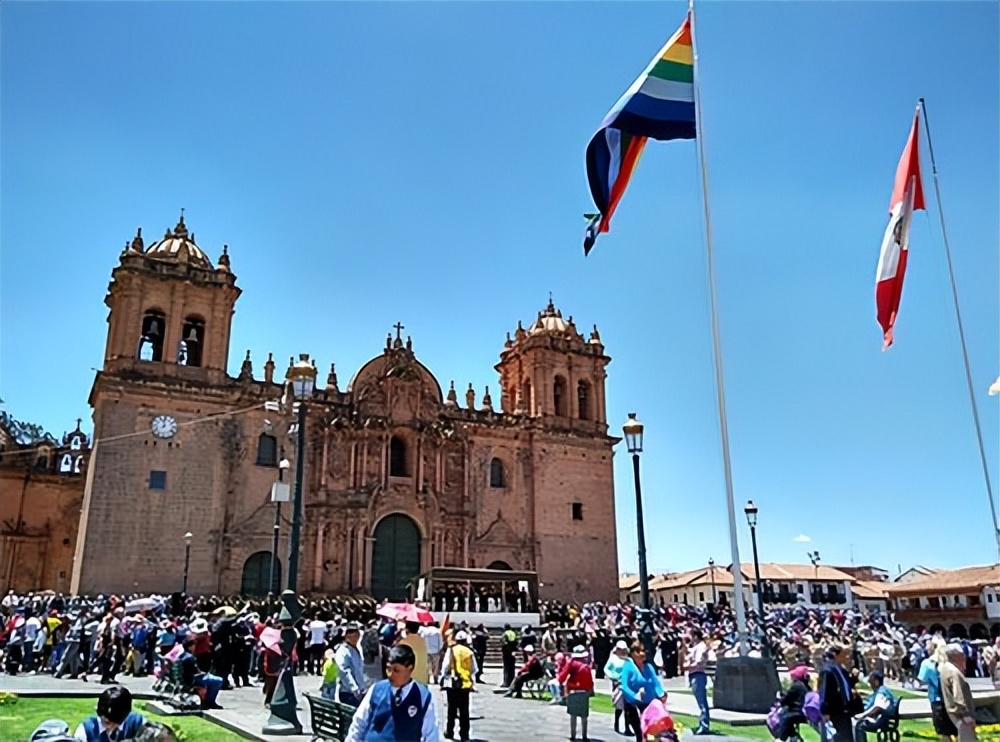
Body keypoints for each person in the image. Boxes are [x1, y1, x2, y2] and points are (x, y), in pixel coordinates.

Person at [345, 644, 440, 742]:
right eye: (388, 669)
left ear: (410, 668)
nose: (390, 674)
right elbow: (359, 722)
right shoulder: (377, 689)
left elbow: (431, 735)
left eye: (396, 670)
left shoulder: (423, 696)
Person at [619, 640, 666, 742]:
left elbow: (655, 683)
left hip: (648, 704)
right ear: (632, 653)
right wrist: (634, 696)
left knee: (650, 732)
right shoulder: (628, 667)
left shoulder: (649, 667)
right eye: (638, 651)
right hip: (633, 705)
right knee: (640, 734)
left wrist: (661, 694)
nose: (642, 654)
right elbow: (624, 686)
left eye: (643, 651)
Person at [918, 638, 959, 742]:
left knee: (944, 734)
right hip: (953, 700)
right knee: (958, 731)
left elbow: (922, 680)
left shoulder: (927, 663)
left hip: (937, 701)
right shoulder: (951, 663)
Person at [439, 630, 476, 741]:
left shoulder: (451, 650)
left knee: (451, 710)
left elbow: (445, 666)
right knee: (464, 711)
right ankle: (464, 734)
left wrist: (442, 678)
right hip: (465, 684)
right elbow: (474, 669)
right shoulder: (469, 652)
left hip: (452, 683)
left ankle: (449, 732)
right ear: (465, 641)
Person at [73, 686, 146, 741]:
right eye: (105, 722)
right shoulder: (86, 730)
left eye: (113, 724)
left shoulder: (137, 722)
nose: (109, 727)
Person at [940, 643, 978, 742]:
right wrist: (966, 714)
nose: (964, 657)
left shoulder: (945, 668)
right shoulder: (954, 672)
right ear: (955, 656)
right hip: (960, 715)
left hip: (953, 712)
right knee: (968, 739)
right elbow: (958, 695)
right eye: (962, 654)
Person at [176, 636, 225, 709]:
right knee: (218, 680)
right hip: (191, 680)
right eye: (193, 645)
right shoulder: (189, 658)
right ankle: (210, 701)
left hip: (184, 679)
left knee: (210, 678)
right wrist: (203, 673)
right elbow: (195, 671)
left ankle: (207, 701)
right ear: (190, 646)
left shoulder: (181, 656)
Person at [559, 645, 595, 742]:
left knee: (573, 716)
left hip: (573, 691)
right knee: (584, 716)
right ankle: (584, 736)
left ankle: (573, 735)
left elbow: (562, 676)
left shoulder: (571, 664)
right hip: (584, 692)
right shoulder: (586, 666)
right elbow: (590, 681)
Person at [819, 645, 854, 742]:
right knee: (838, 738)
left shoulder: (840, 669)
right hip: (834, 711)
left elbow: (846, 685)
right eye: (844, 654)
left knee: (846, 737)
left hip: (844, 709)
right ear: (835, 655)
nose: (847, 657)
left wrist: (854, 678)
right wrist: (825, 711)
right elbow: (825, 691)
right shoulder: (828, 670)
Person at [852, 671, 896, 742]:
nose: (869, 682)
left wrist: (862, 715)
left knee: (857, 724)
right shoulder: (881, 690)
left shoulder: (881, 692)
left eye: (871, 680)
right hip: (881, 719)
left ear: (876, 681)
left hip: (880, 721)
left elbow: (877, 708)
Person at [684, 627, 711, 735]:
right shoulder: (696, 647)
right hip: (694, 675)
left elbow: (698, 662)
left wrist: (688, 667)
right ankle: (702, 723)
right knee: (700, 701)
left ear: (695, 636)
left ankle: (704, 725)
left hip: (698, 675)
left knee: (702, 702)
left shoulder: (701, 647)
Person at [604, 640, 632, 736]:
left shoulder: (629, 660)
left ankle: (627, 727)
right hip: (617, 684)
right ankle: (616, 723)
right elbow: (606, 669)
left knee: (628, 707)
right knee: (619, 705)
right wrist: (613, 676)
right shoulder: (613, 659)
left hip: (627, 685)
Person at [336, 622, 368, 707]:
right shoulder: (343, 651)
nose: (356, 637)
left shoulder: (357, 649)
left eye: (357, 634)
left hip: (360, 692)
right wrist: (354, 689)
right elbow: (343, 671)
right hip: (349, 693)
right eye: (352, 634)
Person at [778, 665, 810, 741]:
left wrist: (781, 700)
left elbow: (787, 699)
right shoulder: (805, 685)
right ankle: (793, 735)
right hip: (804, 711)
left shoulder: (796, 686)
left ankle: (783, 738)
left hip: (799, 712)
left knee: (784, 717)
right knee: (786, 715)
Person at [501, 624, 518, 688]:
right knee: (512, 668)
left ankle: (506, 682)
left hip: (506, 652)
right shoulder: (514, 633)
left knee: (506, 668)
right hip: (513, 652)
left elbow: (503, 642)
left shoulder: (505, 634)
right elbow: (516, 642)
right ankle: (512, 682)